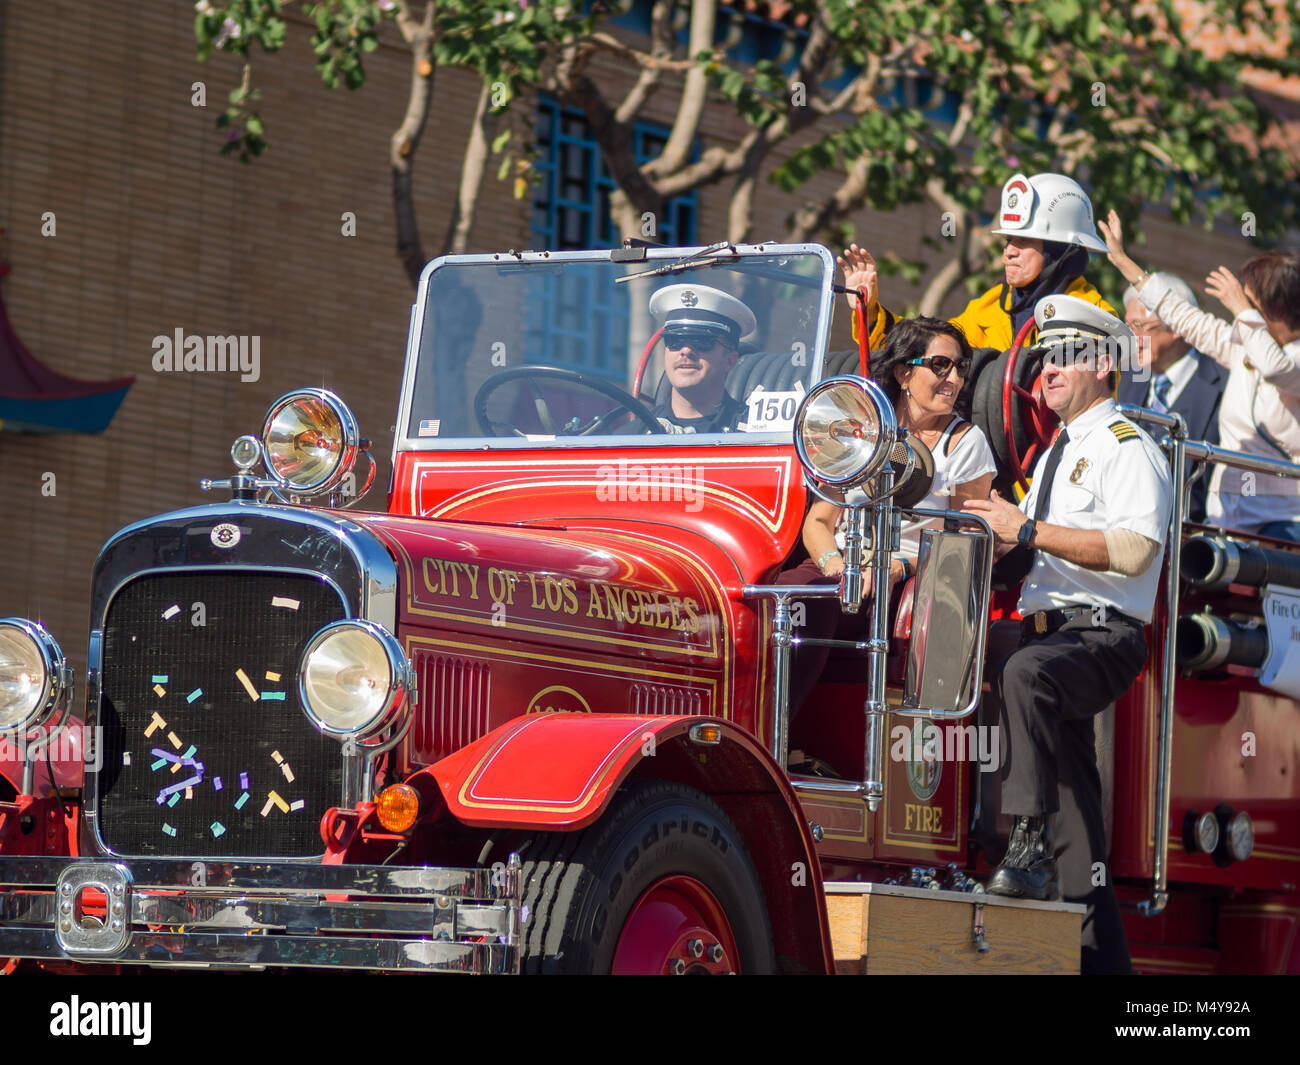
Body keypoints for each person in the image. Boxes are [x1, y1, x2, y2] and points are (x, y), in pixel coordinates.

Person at [963, 295, 1173, 976]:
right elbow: (1022, 548)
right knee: (1082, 843)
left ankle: (1019, 839)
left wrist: (1026, 530)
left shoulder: (1127, 446)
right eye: (1044, 356)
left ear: (1103, 363)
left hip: (1102, 637)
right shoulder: (1055, 455)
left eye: (1066, 355)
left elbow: (1136, 550)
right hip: (1053, 636)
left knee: (1022, 672)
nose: (1047, 369)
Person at [784, 317, 997, 718]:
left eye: (960, 368)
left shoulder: (966, 442)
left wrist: (898, 567)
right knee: (780, 599)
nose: (953, 378)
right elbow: (818, 522)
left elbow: (969, 543)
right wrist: (836, 566)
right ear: (903, 372)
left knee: (813, 607)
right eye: (940, 365)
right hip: (840, 569)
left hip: (909, 585)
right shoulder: (858, 433)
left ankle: (776, 733)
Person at [1100, 211, 1300, 539]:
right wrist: (1124, 263)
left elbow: (1276, 367)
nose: (1238, 310)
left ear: (1273, 311)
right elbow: (1183, 317)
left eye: (1249, 302)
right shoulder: (1244, 349)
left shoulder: (1286, 357)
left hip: (1281, 531)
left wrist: (1242, 311)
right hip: (1227, 523)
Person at [842, 173, 1114, 353]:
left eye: (1023, 241)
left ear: (1059, 250)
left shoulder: (1097, 319)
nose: (1008, 252)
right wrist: (871, 313)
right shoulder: (988, 308)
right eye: (1008, 240)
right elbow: (929, 349)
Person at [1116, 272, 1224, 522]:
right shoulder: (1125, 376)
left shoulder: (1224, 385)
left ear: (1177, 326)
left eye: (1141, 327)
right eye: (1127, 326)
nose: (1132, 339)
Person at [646, 284, 756, 433]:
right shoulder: (632, 435)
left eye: (702, 341)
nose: (685, 350)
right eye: (674, 340)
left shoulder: (752, 434)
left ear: (730, 360)